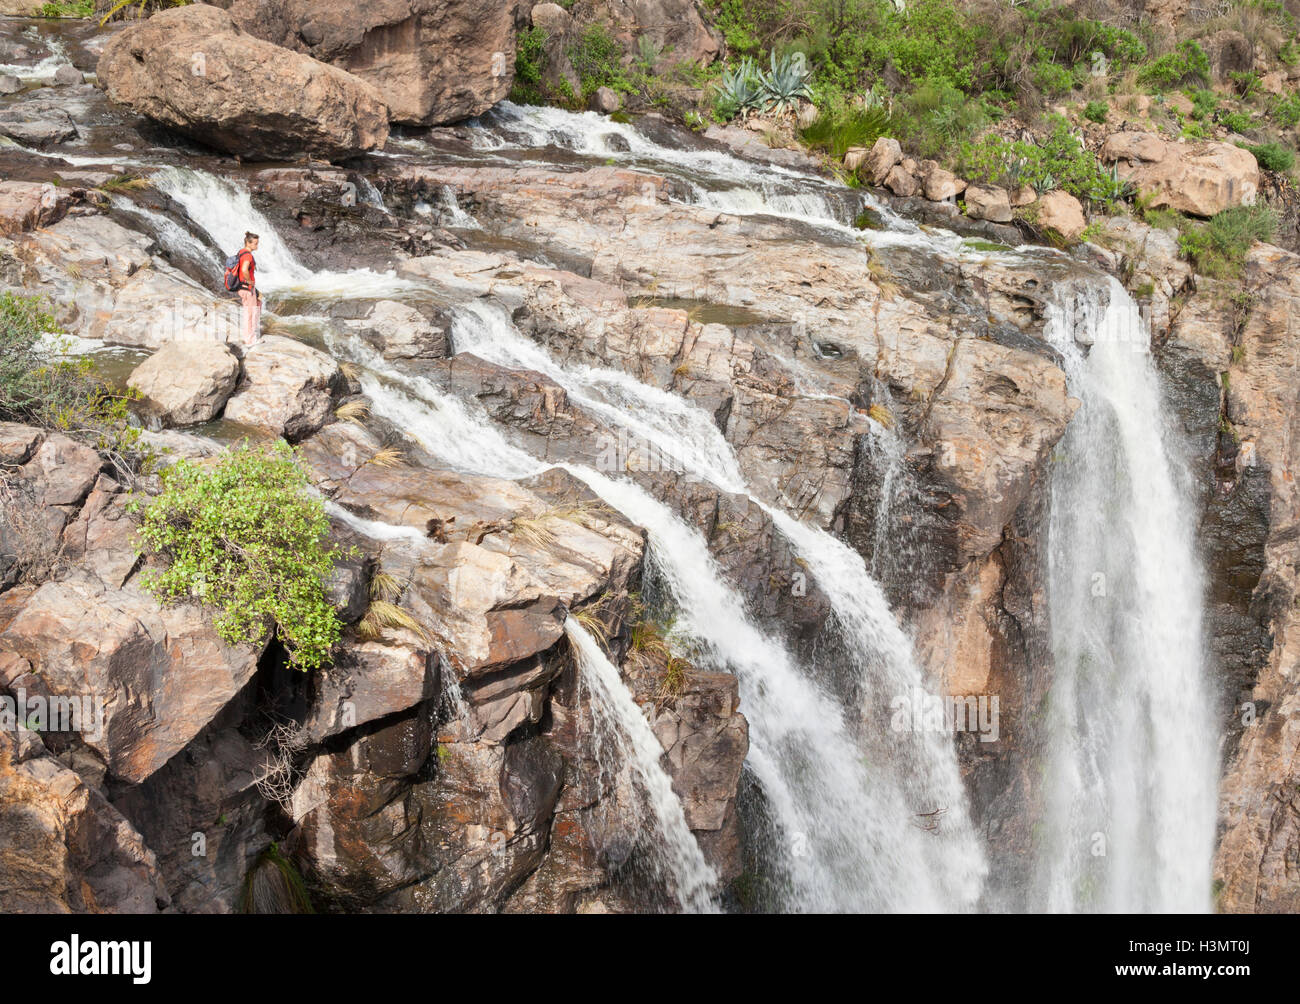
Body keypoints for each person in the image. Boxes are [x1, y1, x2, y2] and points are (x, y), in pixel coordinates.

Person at [235, 232, 261, 346]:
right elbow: (245, 269)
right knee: (251, 313)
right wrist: (250, 281)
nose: (257, 246)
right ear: (248, 243)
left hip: (241, 287)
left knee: (251, 310)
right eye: (255, 244)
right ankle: (250, 340)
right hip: (247, 287)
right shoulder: (248, 255)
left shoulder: (241, 252)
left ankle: (248, 337)